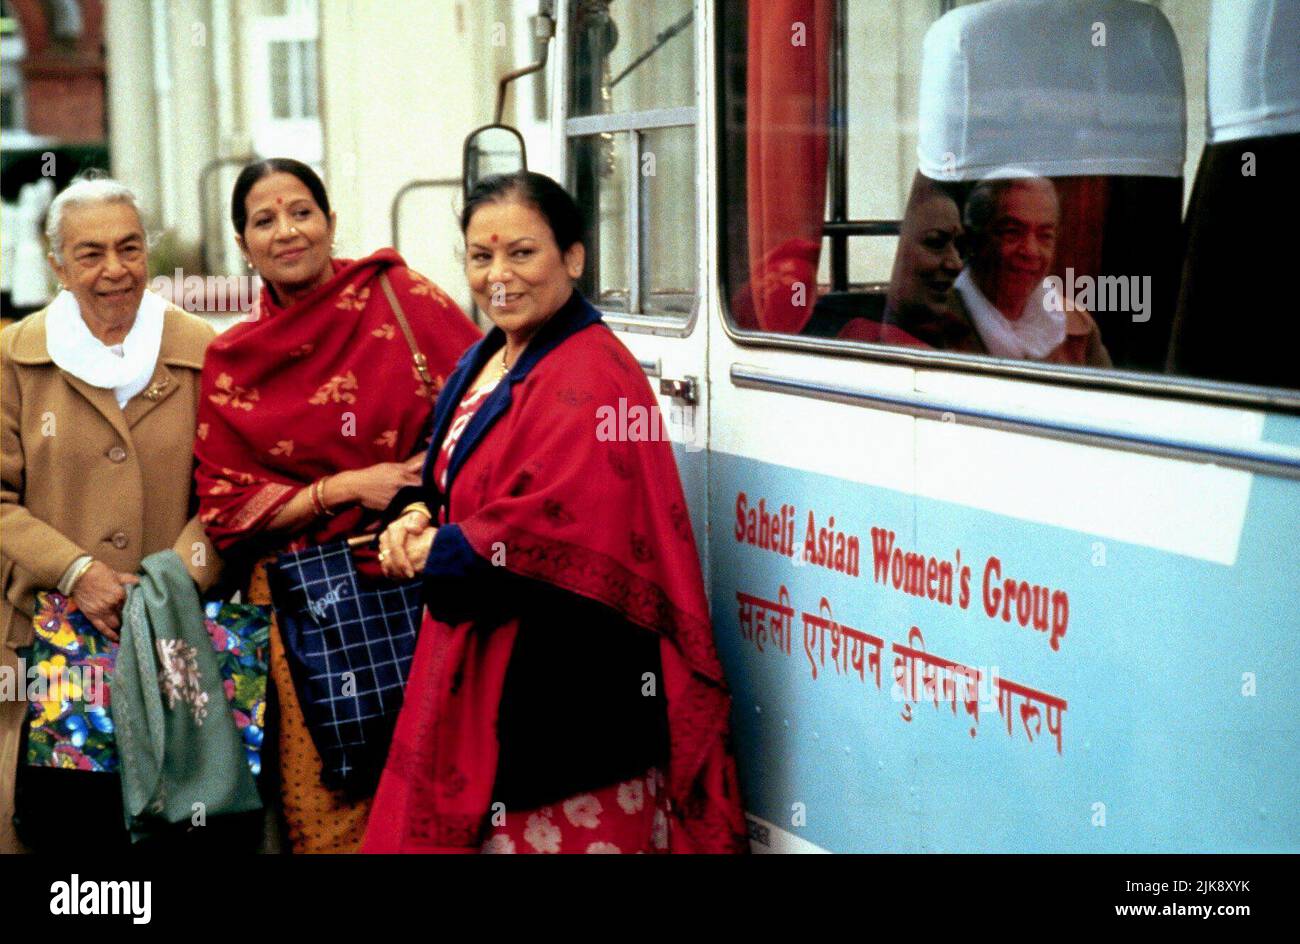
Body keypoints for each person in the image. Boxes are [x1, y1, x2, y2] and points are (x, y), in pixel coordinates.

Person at [363, 172, 748, 854]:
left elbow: (552, 526)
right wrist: (415, 513)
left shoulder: (591, 375)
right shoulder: (493, 356)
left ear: (573, 257)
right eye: (481, 258)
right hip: (490, 676)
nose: (499, 276)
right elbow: (451, 473)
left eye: (522, 253)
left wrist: (437, 553)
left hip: (568, 704)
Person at [194, 158, 480, 854]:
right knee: (332, 803)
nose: (287, 232)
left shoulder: (401, 299)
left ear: (329, 221)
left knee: (447, 785)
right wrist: (346, 487)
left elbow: (486, 412)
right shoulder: (235, 360)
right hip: (310, 612)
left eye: (302, 212)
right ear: (242, 243)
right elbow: (225, 508)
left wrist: (418, 499)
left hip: (421, 577)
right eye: (265, 220)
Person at [1, 175, 220, 852]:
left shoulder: (203, 349)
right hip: (49, 649)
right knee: (66, 840)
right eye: (90, 254)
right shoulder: (15, 358)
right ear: (56, 264)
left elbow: (229, 494)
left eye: (130, 248)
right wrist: (75, 570)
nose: (114, 270)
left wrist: (172, 582)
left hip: (176, 640)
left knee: (179, 828)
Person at [954, 172, 1111, 366]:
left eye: (1045, 236)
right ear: (974, 240)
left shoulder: (1077, 327)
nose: (1030, 251)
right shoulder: (940, 323)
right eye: (1012, 232)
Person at [838, 177, 981, 350]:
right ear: (895, 250)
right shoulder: (864, 340)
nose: (956, 264)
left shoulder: (963, 331)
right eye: (935, 243)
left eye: (958, 247)